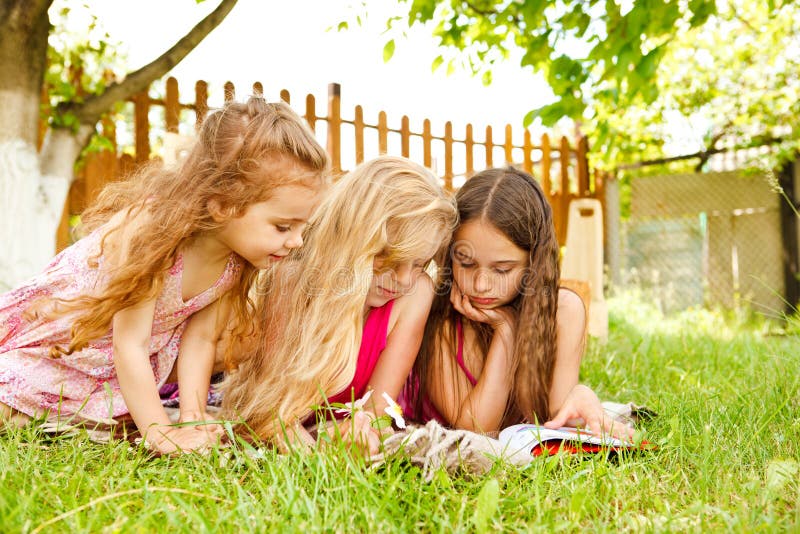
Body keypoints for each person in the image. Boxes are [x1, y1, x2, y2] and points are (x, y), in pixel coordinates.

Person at [0, 97, 329, 454]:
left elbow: (200, 341)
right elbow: (131, 343)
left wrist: (192, 416)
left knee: (76, 420)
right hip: (62, 340)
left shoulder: (235, 260)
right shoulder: (153, 233)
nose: (296, 241)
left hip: (104, 362)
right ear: (222, 205)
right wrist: (159, 434)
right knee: (12, 405)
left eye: (301, 227)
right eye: (283, 226)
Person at [221, 155, 458, 453]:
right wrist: (311, 455)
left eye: (419, 263)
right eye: (387, 257)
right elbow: (271, 411)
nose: (403, 278)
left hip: (335, 427)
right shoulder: (292, 278)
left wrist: (361, 428)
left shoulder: (414, 295)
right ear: (352, 238)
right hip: (291, 418)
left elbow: (378, 413)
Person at [402, 166, 633, 439]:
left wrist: (582, 396)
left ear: (534, 263)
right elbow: (477, 428)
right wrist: (507, 332)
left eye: (502, 270)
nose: (480, 284)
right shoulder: (440, 320)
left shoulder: (563, 311)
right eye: (465, 263)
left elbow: (556, 414)